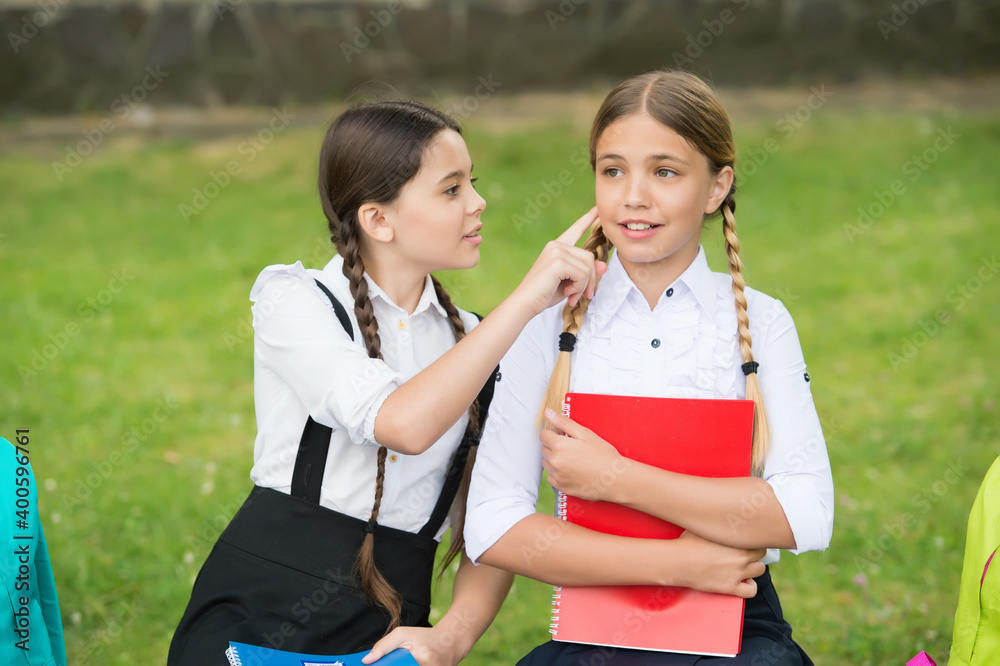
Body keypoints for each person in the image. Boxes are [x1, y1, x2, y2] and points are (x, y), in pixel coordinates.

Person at [168, 99, 604, 666]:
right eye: (451, 189)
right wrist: (525, 302)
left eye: (473, 182)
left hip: (393, 629)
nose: (478, 203)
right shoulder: (294, 300)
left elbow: (493, 514)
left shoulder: (476, 342)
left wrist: (452, 637)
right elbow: (401, 423)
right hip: (263, 612)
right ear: (378, 219)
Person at [465, 70, 835, 665]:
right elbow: (491, 523)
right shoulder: (549, 323)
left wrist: (615, 479)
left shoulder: (760, 321)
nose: (633, 196)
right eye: (613, 170)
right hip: (595, 632)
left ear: (717, 187)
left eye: (665, 172)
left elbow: (805, 513)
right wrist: (678, 563)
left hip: (737, 627)